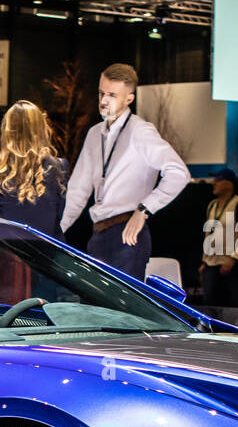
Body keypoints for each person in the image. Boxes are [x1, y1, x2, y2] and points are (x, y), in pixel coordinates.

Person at [60, 63, 190, 280]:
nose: (103, 100)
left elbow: (179, 173)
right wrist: (54, 231)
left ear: (129, 98)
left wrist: (144, 210)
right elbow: (77, 191)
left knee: (120, 312)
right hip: (98, 234)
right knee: (94, 308)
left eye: (112, 95)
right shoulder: (94, 134)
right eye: (101, 93)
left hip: (127, 235)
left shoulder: (140, 131)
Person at [0, 100, 66, 235]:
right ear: (41, 128)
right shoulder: (59, 166)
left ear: (8, 129)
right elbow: (58, 218)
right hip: (46, 252)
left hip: (6, 251)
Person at [200, 168, 238, 307]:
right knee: (209, 303)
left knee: (234, 303)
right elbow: (208, 234)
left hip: (232, 264)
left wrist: (233, 259)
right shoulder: (212, 205)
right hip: (212, 262)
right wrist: (204, 260)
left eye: (218, 180)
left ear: (229, 184)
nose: (214, 183)